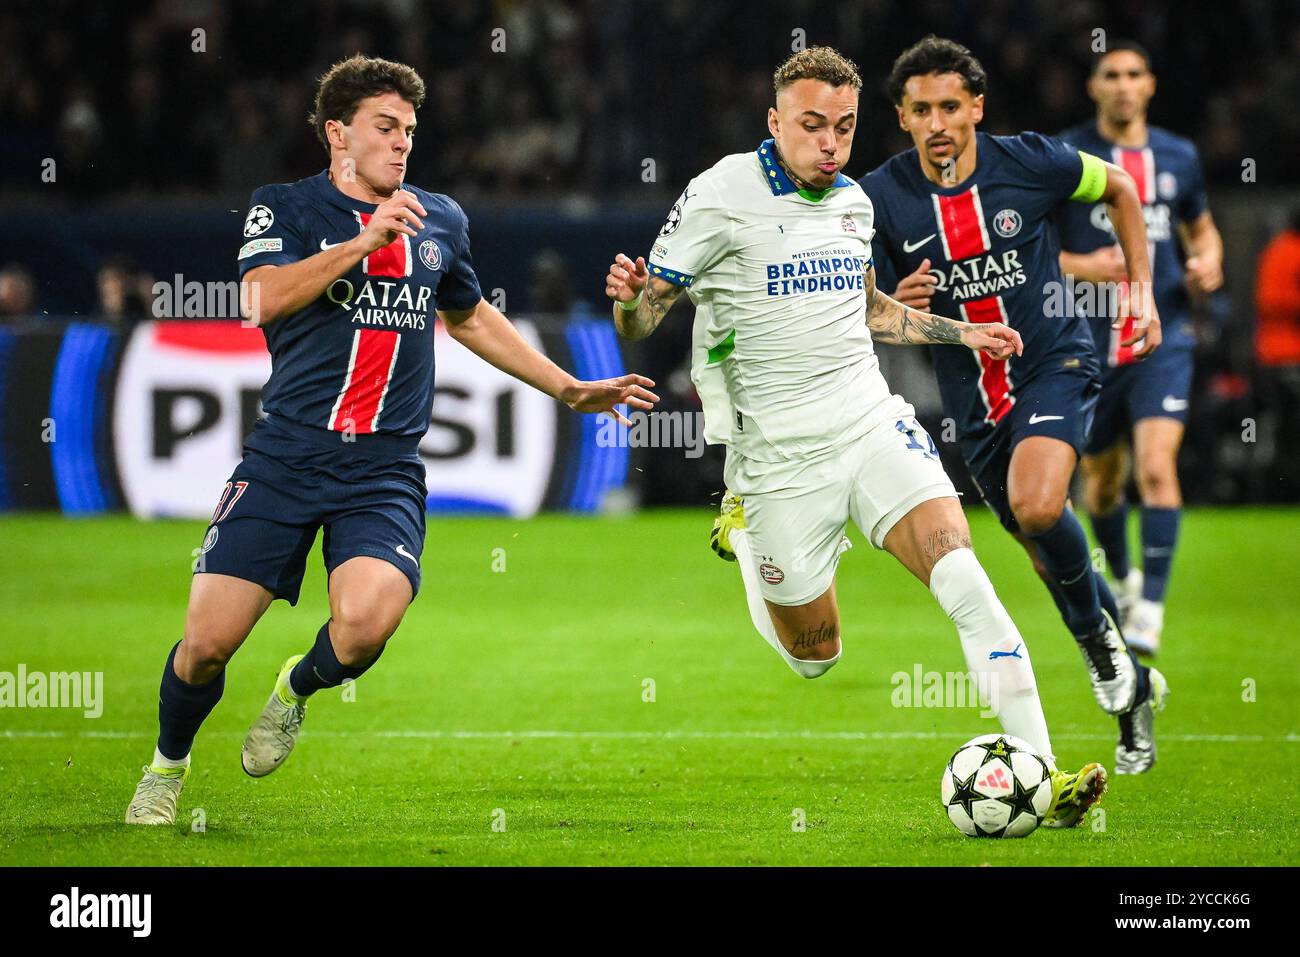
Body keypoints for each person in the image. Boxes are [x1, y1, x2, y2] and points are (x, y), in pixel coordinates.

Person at [125, 55, 658, 825]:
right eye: (385, 128)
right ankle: (165, 768)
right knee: (204, 644)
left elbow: (469, 314)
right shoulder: (285, 207)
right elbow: (257, 299)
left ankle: (293, 691)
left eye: (409, 130)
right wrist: (362, 245)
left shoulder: (439, 218)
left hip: (383, 468)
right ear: (337, 133)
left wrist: (567, 386)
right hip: (286, 456)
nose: (402, 144)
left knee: (367, 623)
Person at [605, 46, 1107, 825]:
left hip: (869, 423)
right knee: (817, 655)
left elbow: (870, 308)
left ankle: (1043, 775)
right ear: (774, 123)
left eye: (844, 127)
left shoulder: (853, 203)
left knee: (966, 579)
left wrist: (962, 334)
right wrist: (629, 301)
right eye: (812, 126)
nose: (831, 144)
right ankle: (741, 532)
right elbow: (644, 317)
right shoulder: (719, 195)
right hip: (777, 461)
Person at [859, 36, 1167, 774]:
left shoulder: (1030, 160)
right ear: (902, 117)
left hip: (1052, 364)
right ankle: (1131, 689)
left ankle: (1100, 649)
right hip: (975, 408)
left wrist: (1139, 290)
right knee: (1045, 555)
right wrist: (894, 303)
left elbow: (1122, 191)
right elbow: (866, 306)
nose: (938, 122)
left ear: (977, 108)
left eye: (951, 106)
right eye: (921, 109)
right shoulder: (877, 197)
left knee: (1037, 507)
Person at [1056, 41, 1225, 656]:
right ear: (1093, 86)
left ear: (1150, 85)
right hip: (1087, 337)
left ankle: (1149, 608)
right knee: (1100, 483)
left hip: (1164, 332)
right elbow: (1035, 251)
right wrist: (1083, 265)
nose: (1124, 85)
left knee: (1156, 467)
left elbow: (1201, 231)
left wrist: (1208, 261)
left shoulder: (1179, 155)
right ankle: (1125, 581)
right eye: (1111, 75)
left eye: (1134, 75)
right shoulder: (1068, 156)